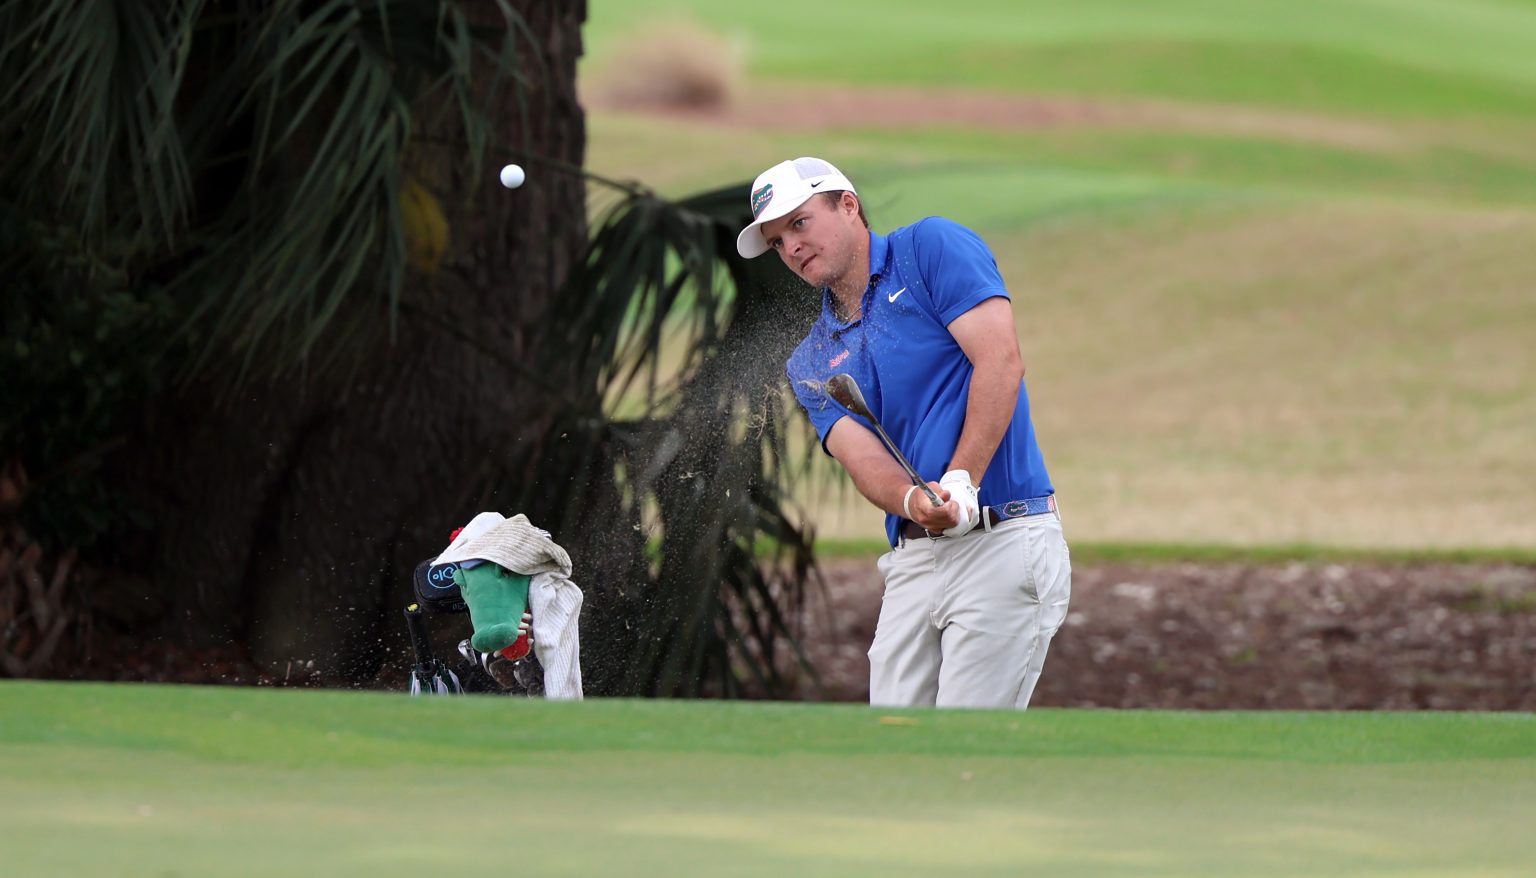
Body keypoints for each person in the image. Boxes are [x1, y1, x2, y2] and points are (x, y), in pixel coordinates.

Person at [737, 157, 1070, 710]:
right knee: (893, 742)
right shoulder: (812, 360)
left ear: (848, 206)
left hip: (1004, 538)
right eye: (776, 242)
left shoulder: (930, 249)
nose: (791, 248)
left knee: (964, 749)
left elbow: (1001, 362)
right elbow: (863, 459)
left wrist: (962, 480)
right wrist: (914, 500)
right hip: (915, 557)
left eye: (799, 223)